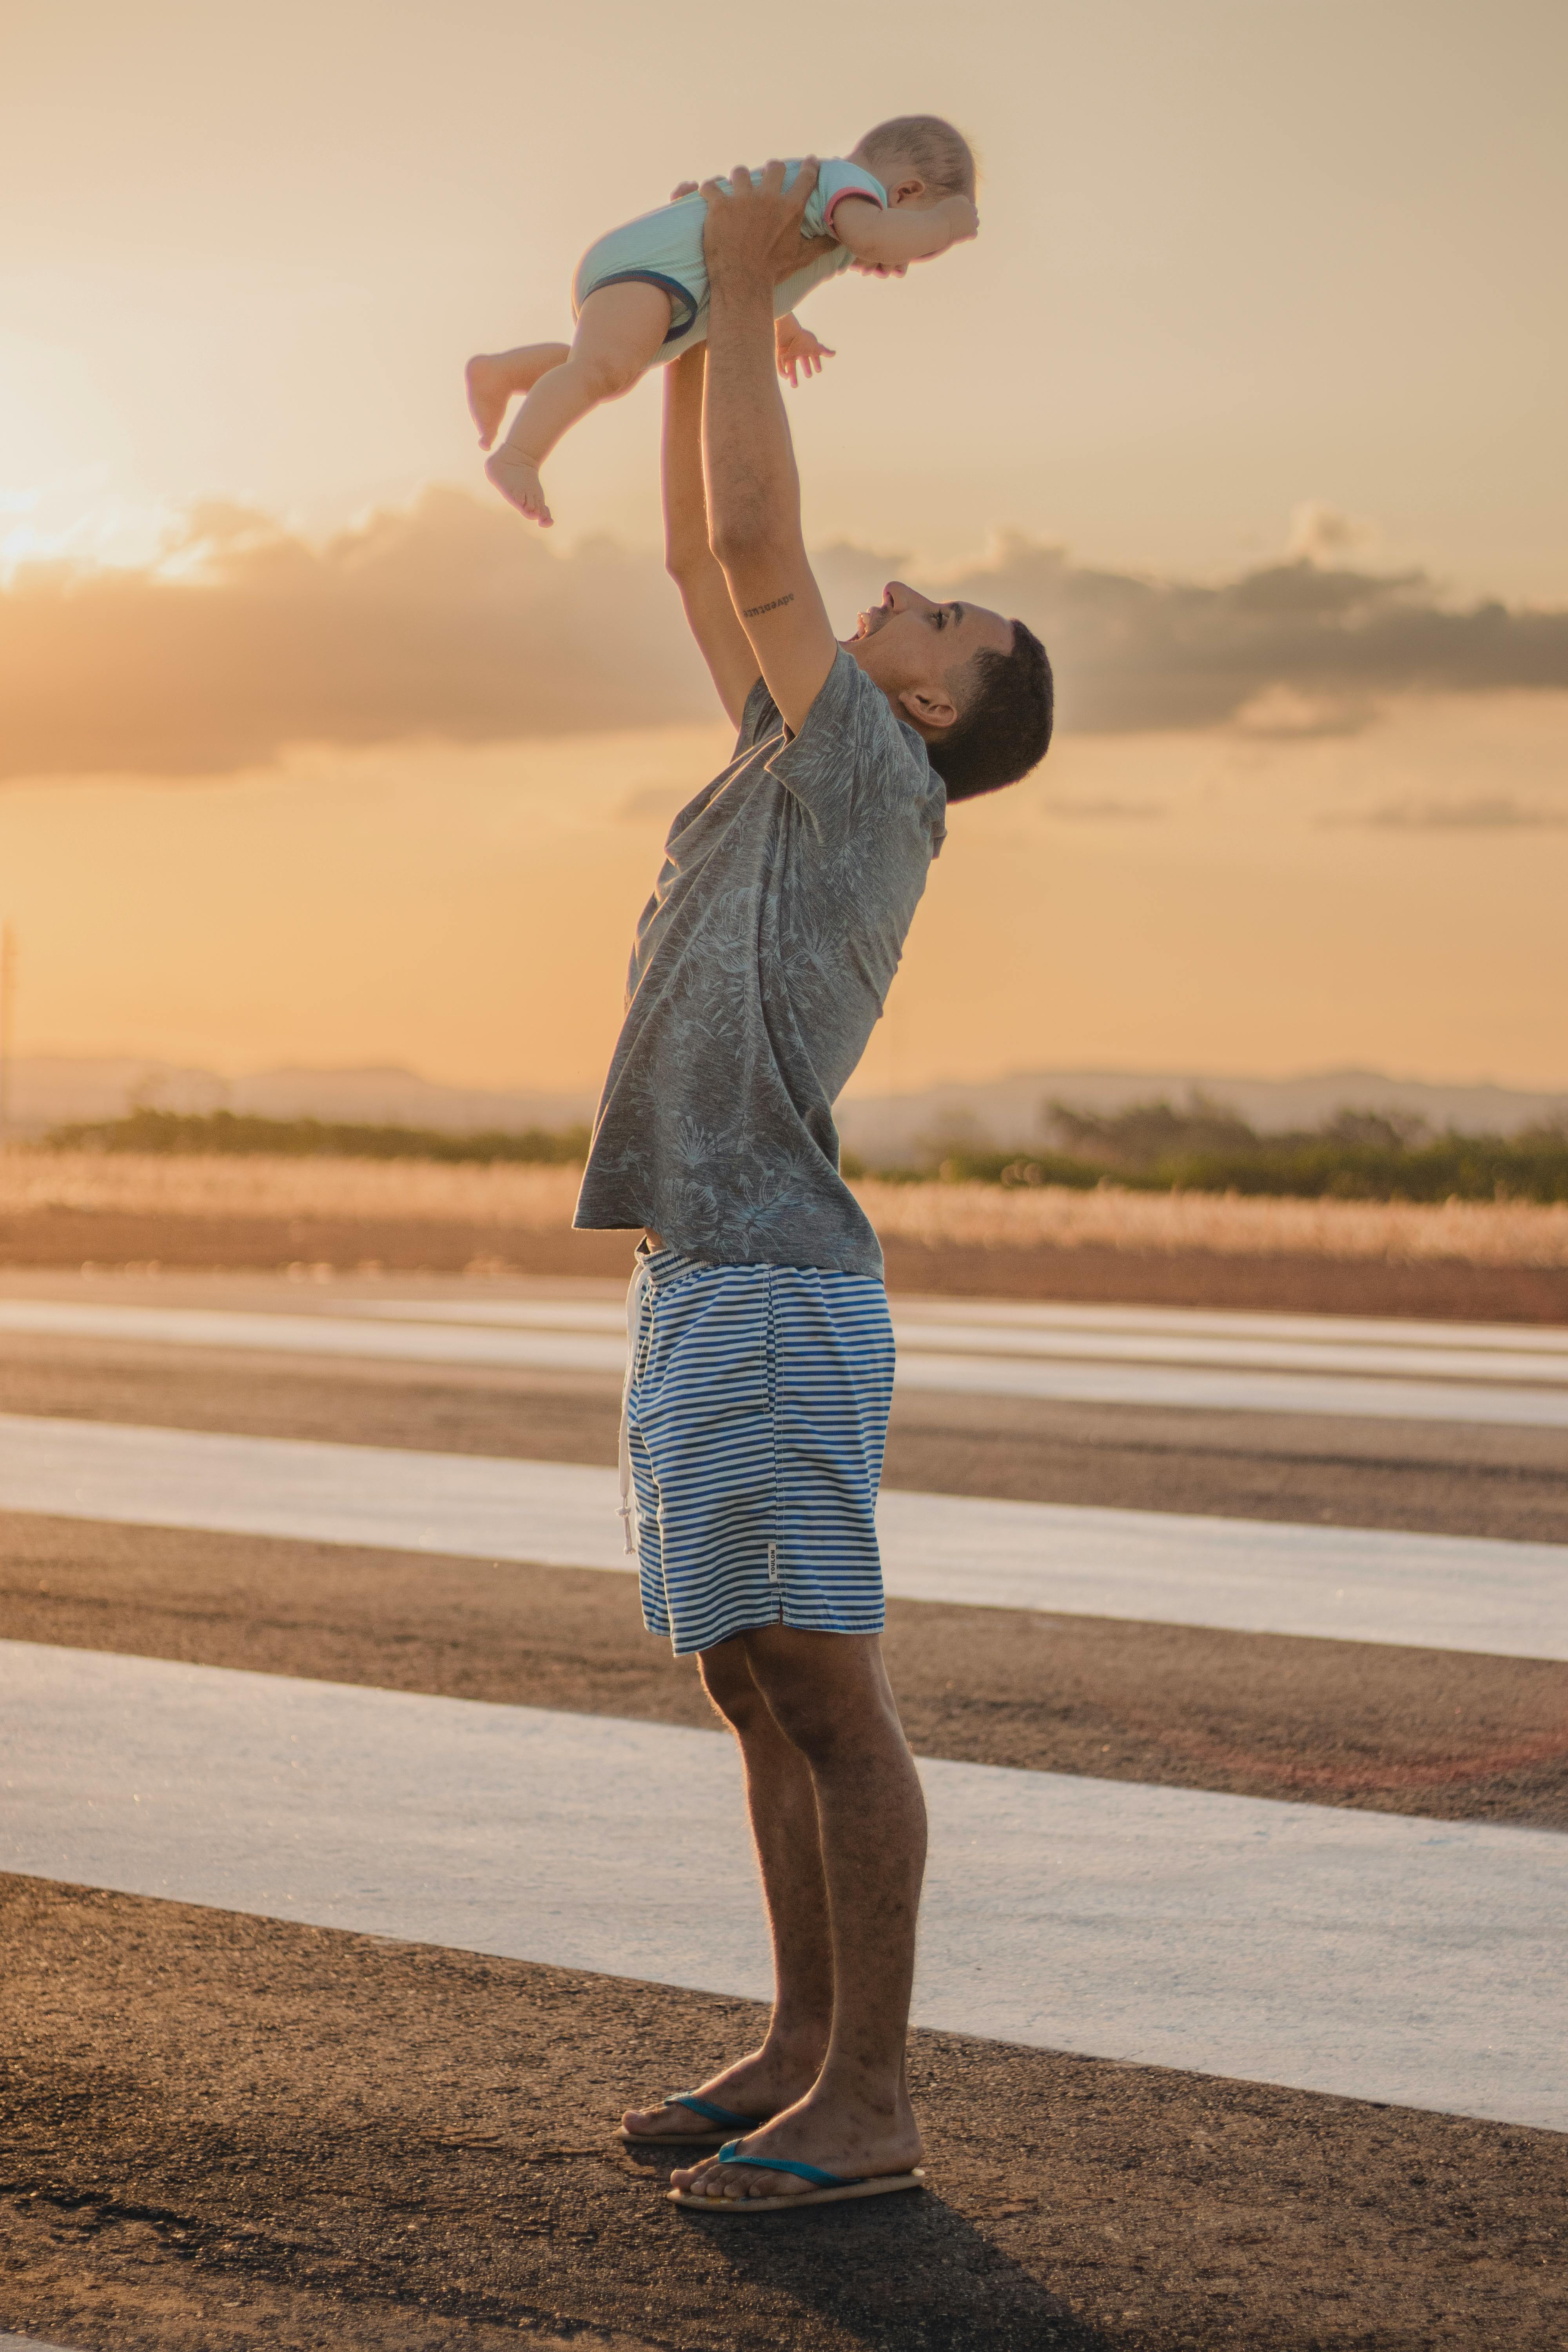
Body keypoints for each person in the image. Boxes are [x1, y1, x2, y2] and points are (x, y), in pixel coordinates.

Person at [573, 161, 1053, 2211]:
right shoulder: (797, 753)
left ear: (931, 701)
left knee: (827, 1692)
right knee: (750, 1680)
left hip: (774, 1277)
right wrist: (711, 338)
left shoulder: (870, 768)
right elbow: (710, 563)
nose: (909, 589)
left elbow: (768, 540)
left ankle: (872, 2104)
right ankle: (793, 2048)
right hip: (706, 1271)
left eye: (942, 614)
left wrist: (758, 266)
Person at [466, 116, 978, 526]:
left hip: (656, 283)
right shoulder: (850, 184)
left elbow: (769, 274)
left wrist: (790, 333)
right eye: (920, 246)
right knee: (604, 370)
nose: (905, 262)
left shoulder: (831, 219)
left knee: (605, 366)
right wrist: (947, 225)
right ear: (906, 193)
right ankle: (518, 456)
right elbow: (872, 237)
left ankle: (504, 373)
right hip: (653, 269)